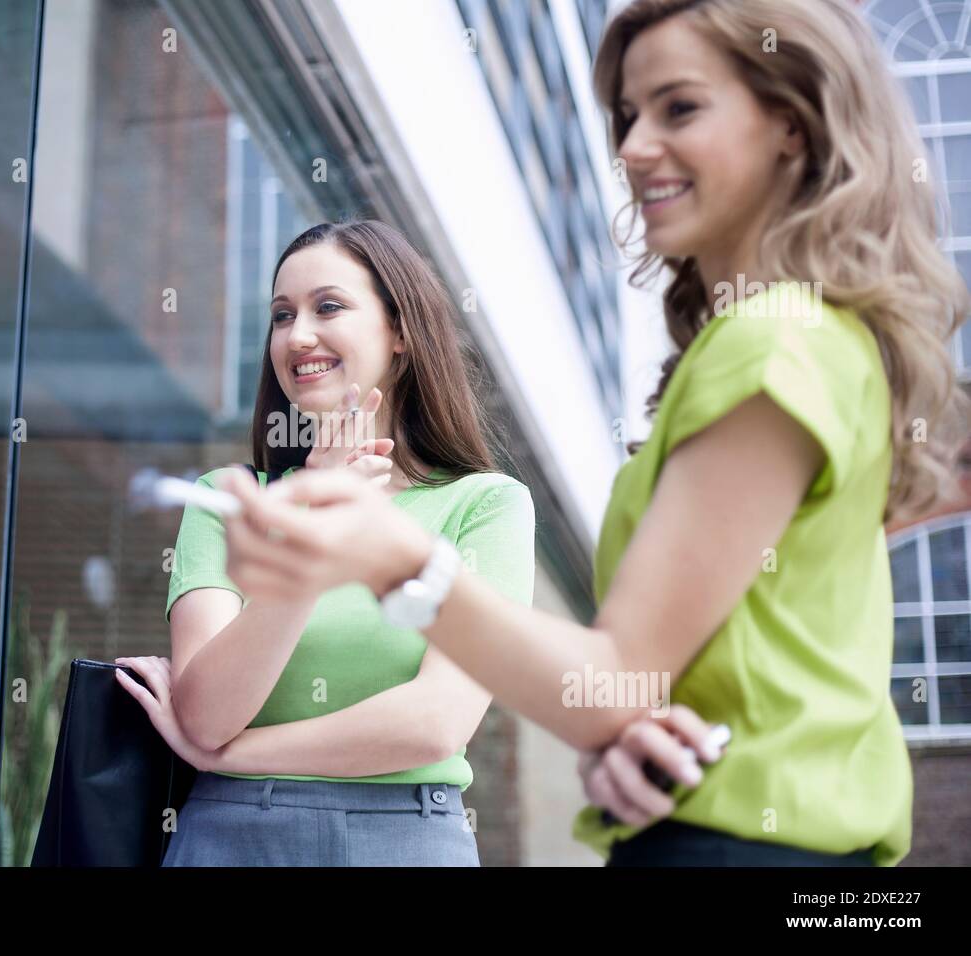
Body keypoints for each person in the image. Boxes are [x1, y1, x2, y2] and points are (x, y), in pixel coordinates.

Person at [207, 0, 969, 866]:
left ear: (791, 127)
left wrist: (389, 556)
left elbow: (609, 677)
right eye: (628, 116)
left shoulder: (774, 345)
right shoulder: (783, 341)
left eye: (679, 108)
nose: (635, 146)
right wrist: (627, 738)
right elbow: (663, 678)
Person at [115, 220, 536, 866]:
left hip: (406, 840)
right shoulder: (225, 500)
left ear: (400, 332)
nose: (298, 335)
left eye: (328, 306)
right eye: (282, 316)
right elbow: (205, 713)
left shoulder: (485, 506)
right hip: (231, 838)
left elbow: (435, 723)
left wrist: (228, 757)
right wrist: (312, 522)